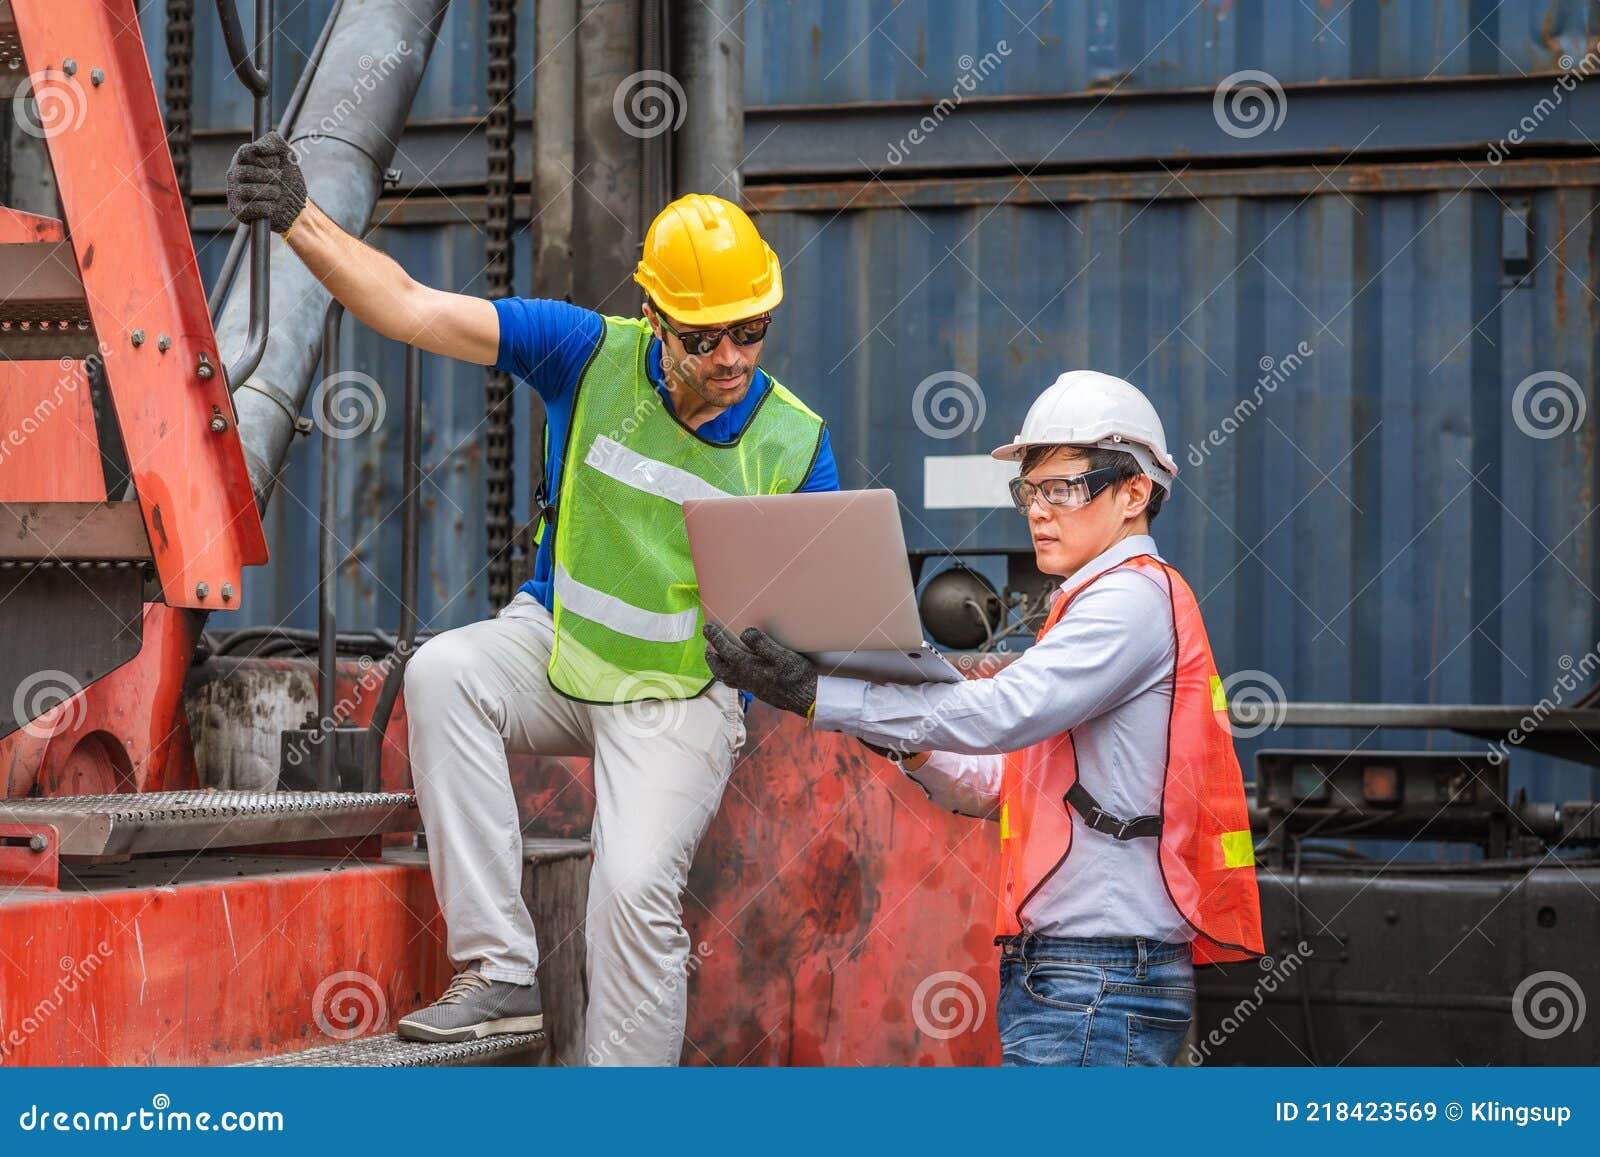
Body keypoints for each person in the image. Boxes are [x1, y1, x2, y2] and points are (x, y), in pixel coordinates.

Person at [226, 133, 839, 1064]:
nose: (729, 357)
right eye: (703, 336)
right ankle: (500, 971)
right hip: (559, 645)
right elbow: (412, 308)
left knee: (630, 888)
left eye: (750, 331)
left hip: (678, 694)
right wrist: (300, 220)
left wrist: (803, 657)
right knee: (442, 674)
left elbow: (828, 606)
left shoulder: (796, 444)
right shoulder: (583, 354)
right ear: (652, 316)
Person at [705, 370, 1263, 1067]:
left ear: (1135, 492)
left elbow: (1000, 712)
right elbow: (996, 784)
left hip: (1096, 977)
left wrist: (824, 695)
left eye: (1061, 488)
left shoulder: (1131, 602)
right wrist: (881, 727)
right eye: (1030, 490)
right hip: (1071, 974)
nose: (1037, 510)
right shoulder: (1087, 608)